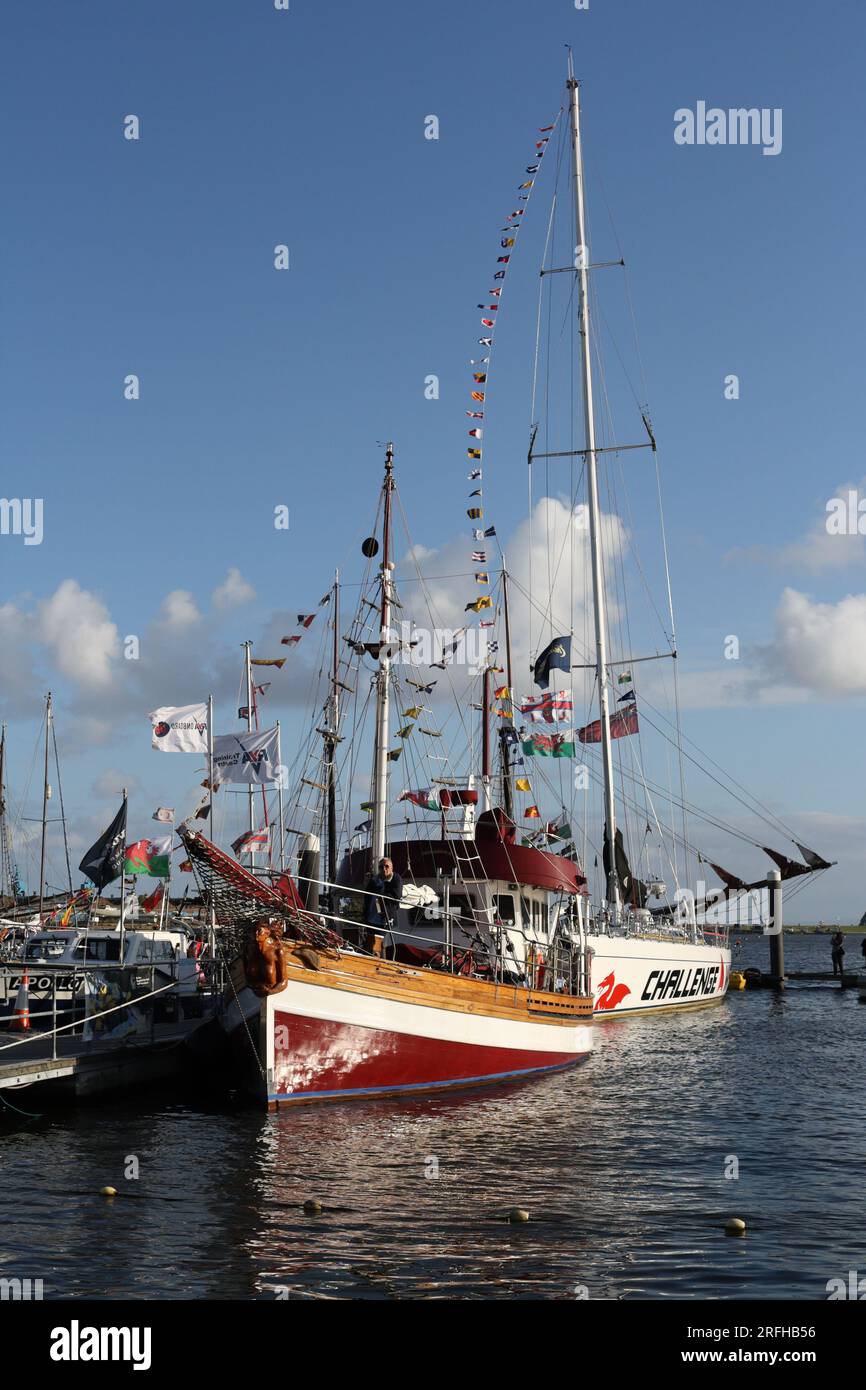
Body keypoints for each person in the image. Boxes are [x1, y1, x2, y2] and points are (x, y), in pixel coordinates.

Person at [363, 857, 404, 951]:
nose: (384, 868)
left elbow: (396, 896)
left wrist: (381, 892)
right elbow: (367, 896)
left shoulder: (396, 879)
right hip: (370, 918)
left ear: (391, 868)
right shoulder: (374, 880)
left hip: (383, 919)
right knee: (369, 944)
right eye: (381, 867)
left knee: (376, 945)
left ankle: (375, 961)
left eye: (387, 866)